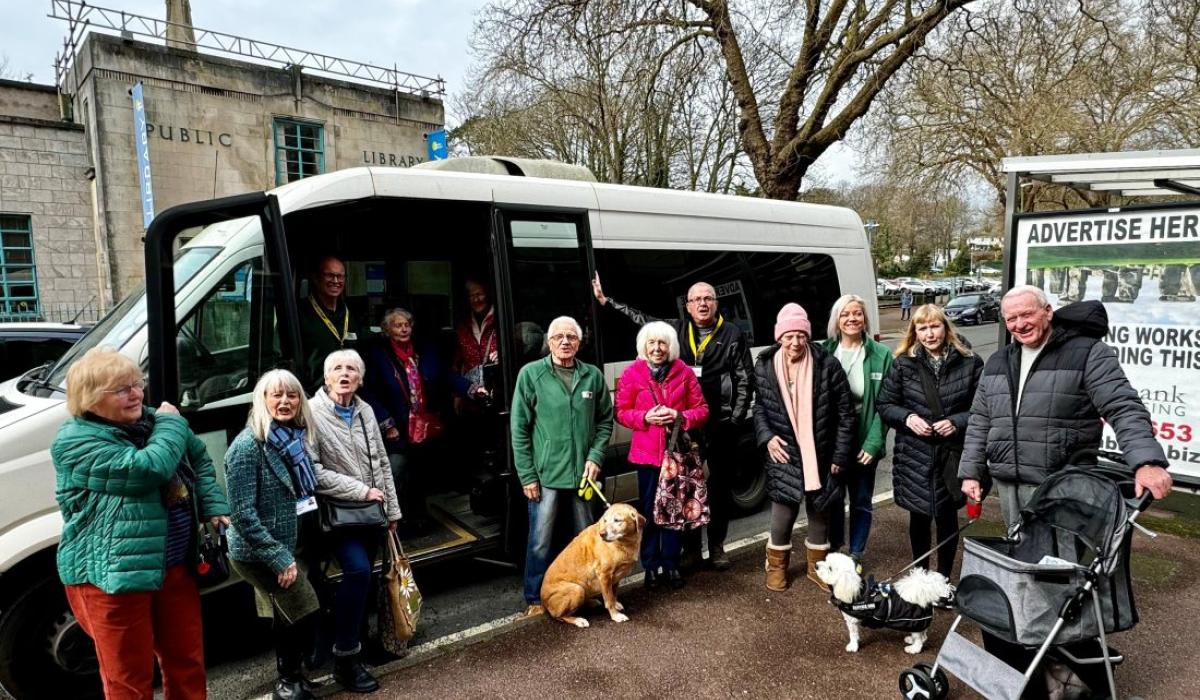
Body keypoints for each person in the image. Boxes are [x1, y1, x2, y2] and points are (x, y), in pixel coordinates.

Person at [52, 346, 230, 700]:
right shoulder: (74, 442)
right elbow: (148, 469)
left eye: (137, 384)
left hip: (175, 566)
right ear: (89, 399)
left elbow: (196, 456)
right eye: (122, 389)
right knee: (128, 682)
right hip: (113, 579)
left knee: (187, 664)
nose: (137, 394)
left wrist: (212, 503)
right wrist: (171, 422)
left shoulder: (149, 420)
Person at [959, 285, 1173, 527]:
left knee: (1060, 562)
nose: (1019, 324)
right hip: (1010, 485)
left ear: (1048, 311)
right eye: (1011, 318)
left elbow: (1123, 407)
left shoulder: (1088, 352)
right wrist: (971, 472)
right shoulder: (999, 360)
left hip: (1063, 486)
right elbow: (980, 420)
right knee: (1020, 558)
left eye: (1027, 314)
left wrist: (1146, 461)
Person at [592, 273, 752, 570]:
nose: (702, 304)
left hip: (719, 422)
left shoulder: (731, 333)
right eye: (696, 300)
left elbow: (744, 378)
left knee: (718, 488)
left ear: (716, 304)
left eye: (708, 299)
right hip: (684, 429)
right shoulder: (676, 330)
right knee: (685, 489)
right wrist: (607, 302)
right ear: (687, 306)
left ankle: (716, 546)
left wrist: (736, 419)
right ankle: (690, 549)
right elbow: (643, 320)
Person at [225, 369, 326, 700]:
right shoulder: (247, 446)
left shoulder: (294, 436)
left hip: (293, 540)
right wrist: (279, 558)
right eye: (276, 395)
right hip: (261, 550)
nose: (285, 401)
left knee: (288, 612)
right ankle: (286, 683)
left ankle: (295, 677)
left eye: (292, 395)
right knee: (298, 608)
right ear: (262, 399)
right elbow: (242, 515)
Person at [309, 350, 402, 693]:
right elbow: (314, 472)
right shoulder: (312, 412)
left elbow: (381, 463)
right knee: (358, 571)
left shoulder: (364, 410)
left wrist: (392, 511)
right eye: (337, 368)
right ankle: (344, 659)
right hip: (337, 515)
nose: (344, 374)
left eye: (351, 369)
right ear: (326, 376)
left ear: (360, 378)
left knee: (366, 578)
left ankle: (357, 648)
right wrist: (362, 491)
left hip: (371, 514)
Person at [511, 316, 614, 615]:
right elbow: (519, 429)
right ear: (549, 341)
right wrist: (527, 475)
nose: (565, 342)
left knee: (587, 537)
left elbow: (605, 421)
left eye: (571, 337)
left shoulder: (592, 376)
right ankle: (534, 598)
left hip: (585, 475)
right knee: (540, 541)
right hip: (546, 475)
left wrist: (595, 457)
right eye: (558, 337)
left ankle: (589, 590)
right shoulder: (531, 375)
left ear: (580, 343)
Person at [753, 304, 855, 591]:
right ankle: (776, 567)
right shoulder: (764, 365)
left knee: (820, 510)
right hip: (783, 449)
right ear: (779, 338)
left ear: (808, 336)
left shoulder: (827, 364)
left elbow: (846, 413)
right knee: (782, 512)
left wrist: (840, 454)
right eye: (789, 336)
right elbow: (760, 407)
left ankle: (817, 568)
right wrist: (767, 437)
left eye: (800, 336)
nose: (795, 342)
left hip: (821, 450)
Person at [877, 304, 983, 577]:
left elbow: (983, 409)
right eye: (922, 328)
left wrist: (957, 422)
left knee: (948, 520)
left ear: (946, 328)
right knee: (919, 518)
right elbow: (886, 404)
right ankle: (920, 578)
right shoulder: (903, 364)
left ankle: (943, 579)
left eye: (934, 326)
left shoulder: (970, 362)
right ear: (915, 332)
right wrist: (907, 417)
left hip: (951, 455)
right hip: (915, 455)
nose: (929, 334)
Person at [615, 321, 709, 590]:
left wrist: (680, 416)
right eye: (652, 343)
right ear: (643, 346)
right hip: (646, 456)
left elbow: (702, 409)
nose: (657, 349)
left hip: (676, 455)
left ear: (671, 347)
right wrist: (644, 416)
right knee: (647, 513)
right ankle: (650, 566)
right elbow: (620, 411)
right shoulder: (632, 373)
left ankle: (671, 564)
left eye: (662, 343)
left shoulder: (684, 373)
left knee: (674, 511)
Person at [820, 294, 894, 568]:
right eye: (845, 314)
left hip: (864, 443)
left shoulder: (881, 355)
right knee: (834, 500)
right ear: (836, 321)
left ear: (864, 319)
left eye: (857, 314)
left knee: (861, 500)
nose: (852, 319)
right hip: (832, 444)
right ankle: (837, 550)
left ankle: (856, 553)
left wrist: (874, 443)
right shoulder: (824, 352)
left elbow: (886, 404)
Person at [361, 308, 449, 531]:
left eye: (407, 324)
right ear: (387, 330)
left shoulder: (420, 351)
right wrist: (387, 423)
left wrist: (471, 389)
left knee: (421, 473)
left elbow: (443, 375)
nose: (403, 329)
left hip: (421, 426)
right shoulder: (378, 355)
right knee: (397, 472)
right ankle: (392, 522)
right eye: (397, 325)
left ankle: (418, 517)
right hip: (395, 429)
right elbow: (368, 393)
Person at [299, 255, 363, 389]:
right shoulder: (300, 313)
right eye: (329, 275)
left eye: (340, 276)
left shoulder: (351, 313)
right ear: (316, 278)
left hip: (349, 394)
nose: (335, 281)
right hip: (315, 396)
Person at [452, 278, 498, 403]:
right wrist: (457, 394)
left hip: (498, 393)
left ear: (488, 294)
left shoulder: (501, 319)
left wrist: (503, 355)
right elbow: (456, 364)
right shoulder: (463, 326)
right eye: (471, 296)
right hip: (471, 395)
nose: (476, 300)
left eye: (479, 294)